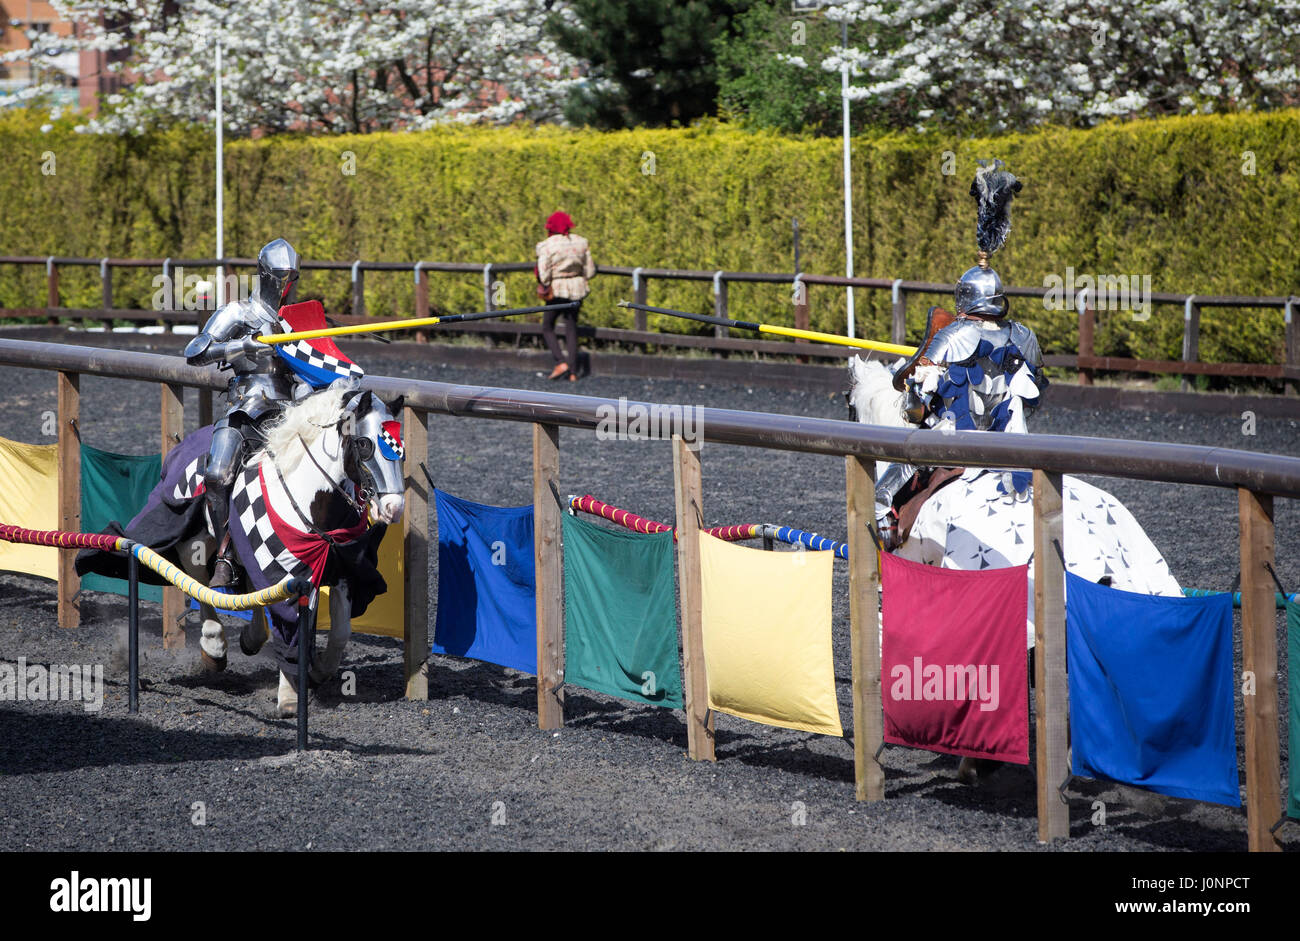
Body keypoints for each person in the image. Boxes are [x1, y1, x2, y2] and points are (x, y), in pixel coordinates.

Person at [875, 160, 1046, 548]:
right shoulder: (1026, 337)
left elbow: (915, 412)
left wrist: (912, 394)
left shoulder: (951, 337)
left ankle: (885, 560)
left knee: (877, 498)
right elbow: (1034, 400)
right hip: (1013, 447)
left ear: (964, 298)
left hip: (954, 446)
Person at [184, 237, 309, 586]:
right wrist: (241, 344)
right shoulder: (239, 313)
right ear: (266, 275)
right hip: (247, 407)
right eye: (282, 277)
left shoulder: (296, 321)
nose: (287, 285)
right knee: (218, 474)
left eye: (292, 278)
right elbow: (195, 352)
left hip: (291, 409)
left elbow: (315, 364)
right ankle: (226, 555)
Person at [535, 211, 595, 381]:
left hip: (557, 289)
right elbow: (590, 271)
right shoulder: (581, 242)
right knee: (571, 328)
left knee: (547, 326)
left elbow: (544, 275)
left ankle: (561, 362)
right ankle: (574, 372)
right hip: (577, 289)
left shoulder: (547, 245)